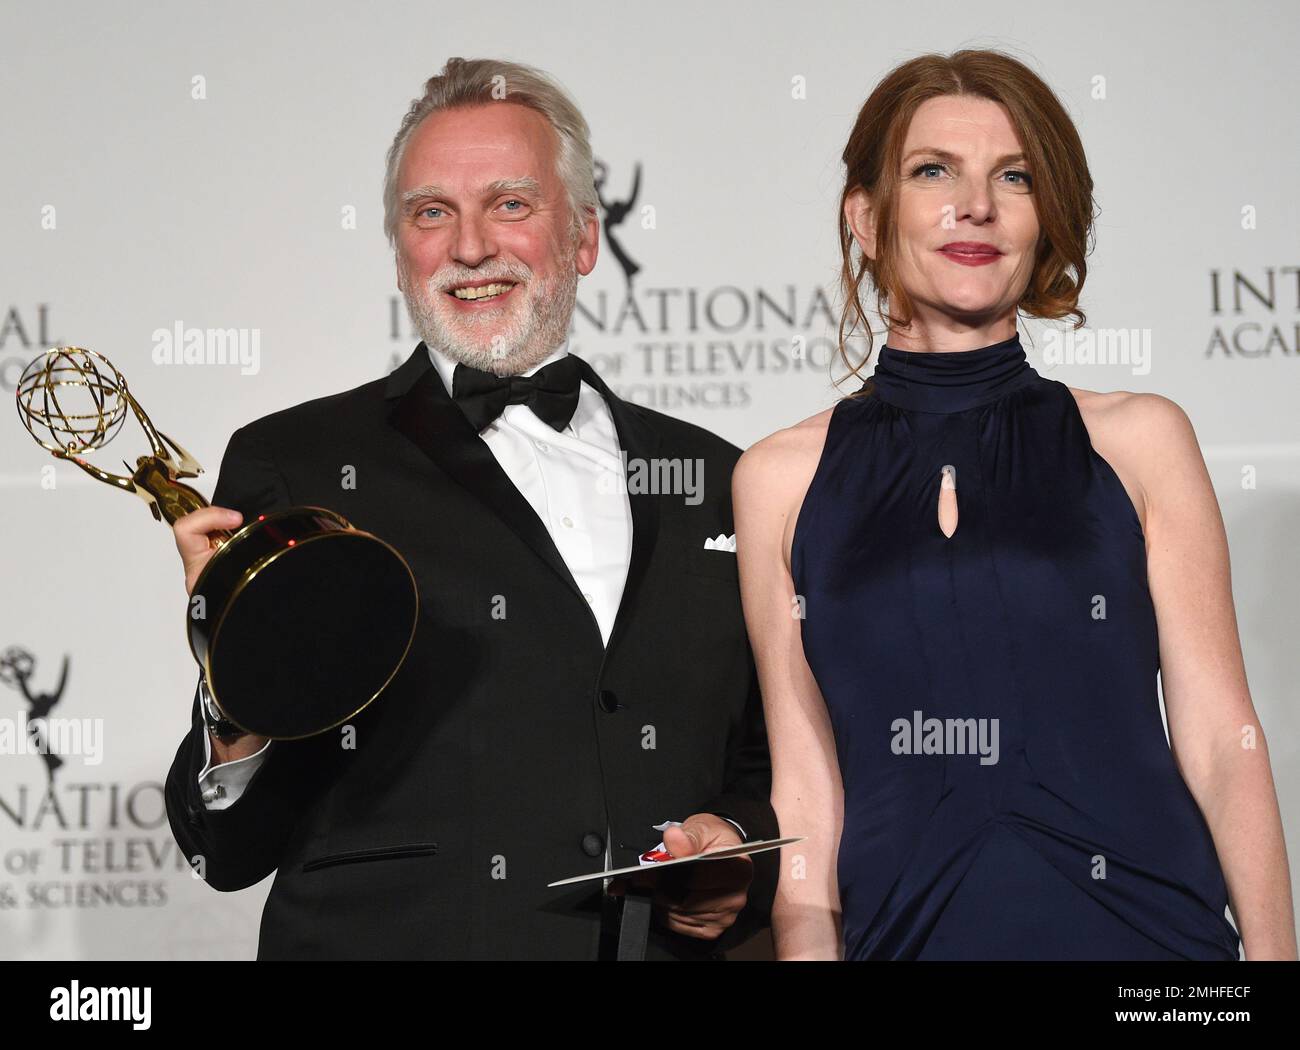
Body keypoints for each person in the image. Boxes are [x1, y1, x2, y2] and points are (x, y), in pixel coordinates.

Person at [163, 57, 778, 960]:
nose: (471, 246)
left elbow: (766, 763)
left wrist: (738, 853)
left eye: (512, 204)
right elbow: (229, 849)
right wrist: (238, 687)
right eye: (431, 212)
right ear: (401, 249)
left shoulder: (721, 477)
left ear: (583, 237)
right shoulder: (293, 464)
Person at [733, 49, 1296, 961]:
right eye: (933, 172)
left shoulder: (1140, 440)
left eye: (1014, 177)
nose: (976, 206)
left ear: (1047, 219)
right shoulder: (778, 481)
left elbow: (1224, 743)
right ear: (868, 219)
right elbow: (805, 796)